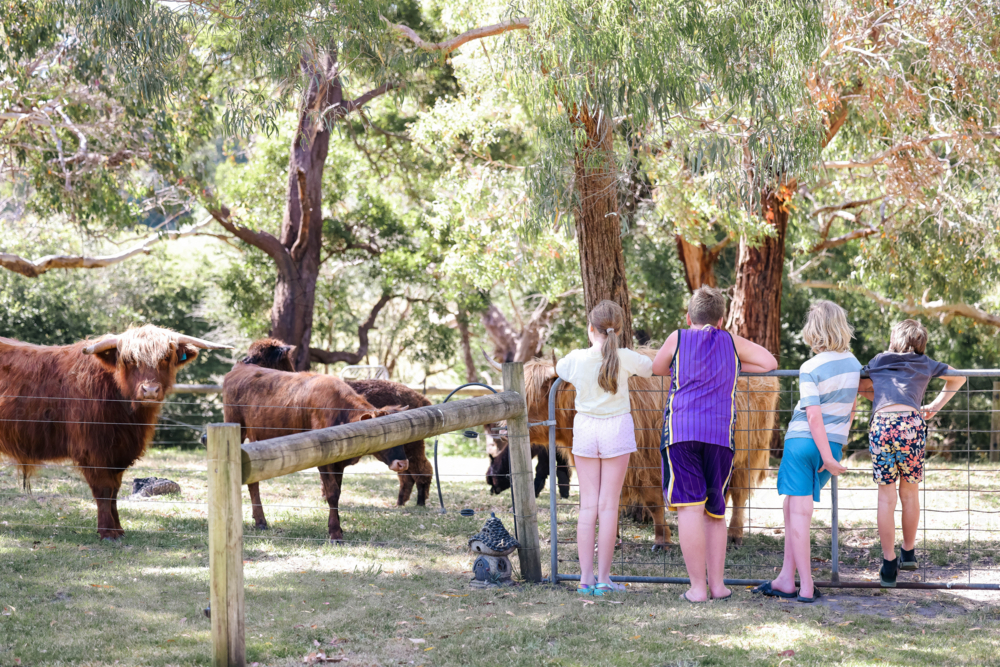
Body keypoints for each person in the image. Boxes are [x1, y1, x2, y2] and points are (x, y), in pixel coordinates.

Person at [651, 286, 777, 603]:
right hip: (720, 436)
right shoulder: (730, 342)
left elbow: (656, 368)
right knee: (714, 511)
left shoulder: (677, 338)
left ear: (688, 316)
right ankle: (718, 586)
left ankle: (697, 588)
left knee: (689, 509)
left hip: (681, 433)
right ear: (722, 320)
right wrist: (733, 365)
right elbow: (769, 362)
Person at [752, 301, 860, 603]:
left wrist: (825, 455)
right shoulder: (854, 365)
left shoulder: (810, 367)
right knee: (792, 508)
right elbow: (851, 409)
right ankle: (786, 579)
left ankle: (807, 586)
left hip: (804, 442)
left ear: (814, 330)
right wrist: (832, 450)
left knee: (798, 513)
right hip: (832, 444)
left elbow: (813, 415)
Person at [555, 300, 653, 596]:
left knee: (588, 506)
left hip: (585, 431)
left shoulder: (575, 359)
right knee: (609, 506)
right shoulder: (627, 357)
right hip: (616, 430)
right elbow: (650, 368)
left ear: (590, 329)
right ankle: (604, 579)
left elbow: (559, 368)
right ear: (619, 330)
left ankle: (584, 580)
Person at [858, 319, 966, 587]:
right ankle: (908, 552)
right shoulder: (925, 362)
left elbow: (861, 386)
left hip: (882, 424)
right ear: (921, 342)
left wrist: (886, 398)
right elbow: (959, 377)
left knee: (886, 496)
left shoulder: (879, 360)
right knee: (910, 492)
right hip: (911, 424)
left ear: (894, 338)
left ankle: (888, 563)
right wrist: (934, 406)